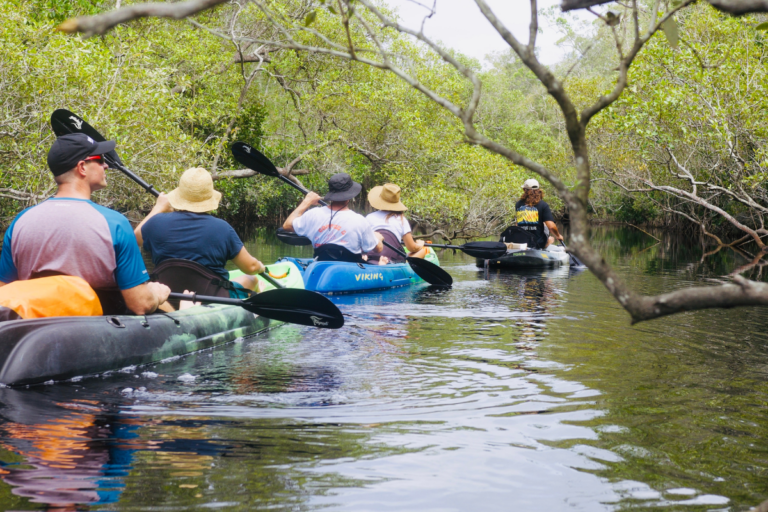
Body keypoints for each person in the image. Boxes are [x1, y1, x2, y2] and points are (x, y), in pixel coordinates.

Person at [0, 133, 170, 315]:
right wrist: (157, 293)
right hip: (95, 334)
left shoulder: (21, 221)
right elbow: (140, 304)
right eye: (101, 160)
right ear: (82, 167)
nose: (106, 165)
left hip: (34, 333)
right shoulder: (114, 223)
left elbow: (4, 293)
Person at [135, 167, 266, 297]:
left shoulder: (155, 223)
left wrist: (158, 208)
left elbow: (134, 240)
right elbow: (251, 267)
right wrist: (260, 267)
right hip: (212, 298)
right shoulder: (223, 228)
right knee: (251, 279)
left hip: (167, 297)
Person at [282, 173, 384, 263]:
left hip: (321, 267)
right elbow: (378, 249)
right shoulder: (360, 220)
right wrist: (377, 238)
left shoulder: (313, 214)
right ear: (349, 196)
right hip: (349, 271)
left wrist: (307, 201)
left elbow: (287, 225)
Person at [364, 183, 428, 263]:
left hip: (371, 257)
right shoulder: (401, 220)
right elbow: (412, 248)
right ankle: (403, 265)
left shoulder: (369, 217)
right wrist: (419, 245)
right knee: (421, 252)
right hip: (392, 260)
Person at [513, 178, 563, 249]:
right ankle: (547, 242)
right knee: (545, 224)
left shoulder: (518, 204)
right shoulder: (543, 205)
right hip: (538, 243)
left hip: (522, 242)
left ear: (524, 190)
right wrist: (558, 235)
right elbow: (551, 227)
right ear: (538, 190)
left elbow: (517, 224)